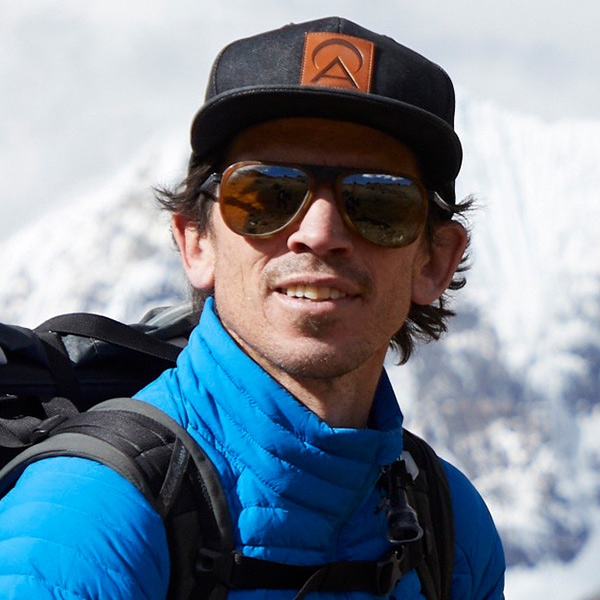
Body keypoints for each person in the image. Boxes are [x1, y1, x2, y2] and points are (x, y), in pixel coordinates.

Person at [0, 16, 505, 600]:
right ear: (196, 242)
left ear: (434, 261)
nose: (319, 233)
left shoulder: (450, 526)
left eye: (378, 201)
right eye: (266, 194)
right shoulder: (87, 523)